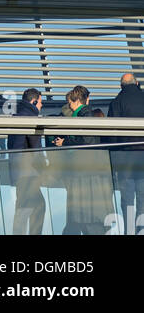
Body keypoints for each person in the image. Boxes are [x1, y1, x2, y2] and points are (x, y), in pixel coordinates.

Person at [52, 85, 114, 235]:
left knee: (86, 215)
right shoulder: (82, 115)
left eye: (70, 103)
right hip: (87, 172)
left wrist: (65, 143)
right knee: (85, 216)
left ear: (77, 101)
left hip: (86, 173)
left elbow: (87, 141)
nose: (69, 106)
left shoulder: (84, 116)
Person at [7, 88, 48, 234]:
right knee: (31, 208)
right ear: (34, 101)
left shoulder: (17, 116)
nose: (41, 105)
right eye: (40, 102)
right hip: (29, 173)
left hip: (19, 172)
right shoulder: (29, 116)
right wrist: (44, 168)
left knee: (26, 207)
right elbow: (36, 147)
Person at [107, 72, 144, 233]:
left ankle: (129, 231)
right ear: (137, 84)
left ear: (121, 86)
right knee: (143, 198)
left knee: (127, 200)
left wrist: (114, 160)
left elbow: (112, 134)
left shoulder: (116, 102)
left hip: (125, 160)